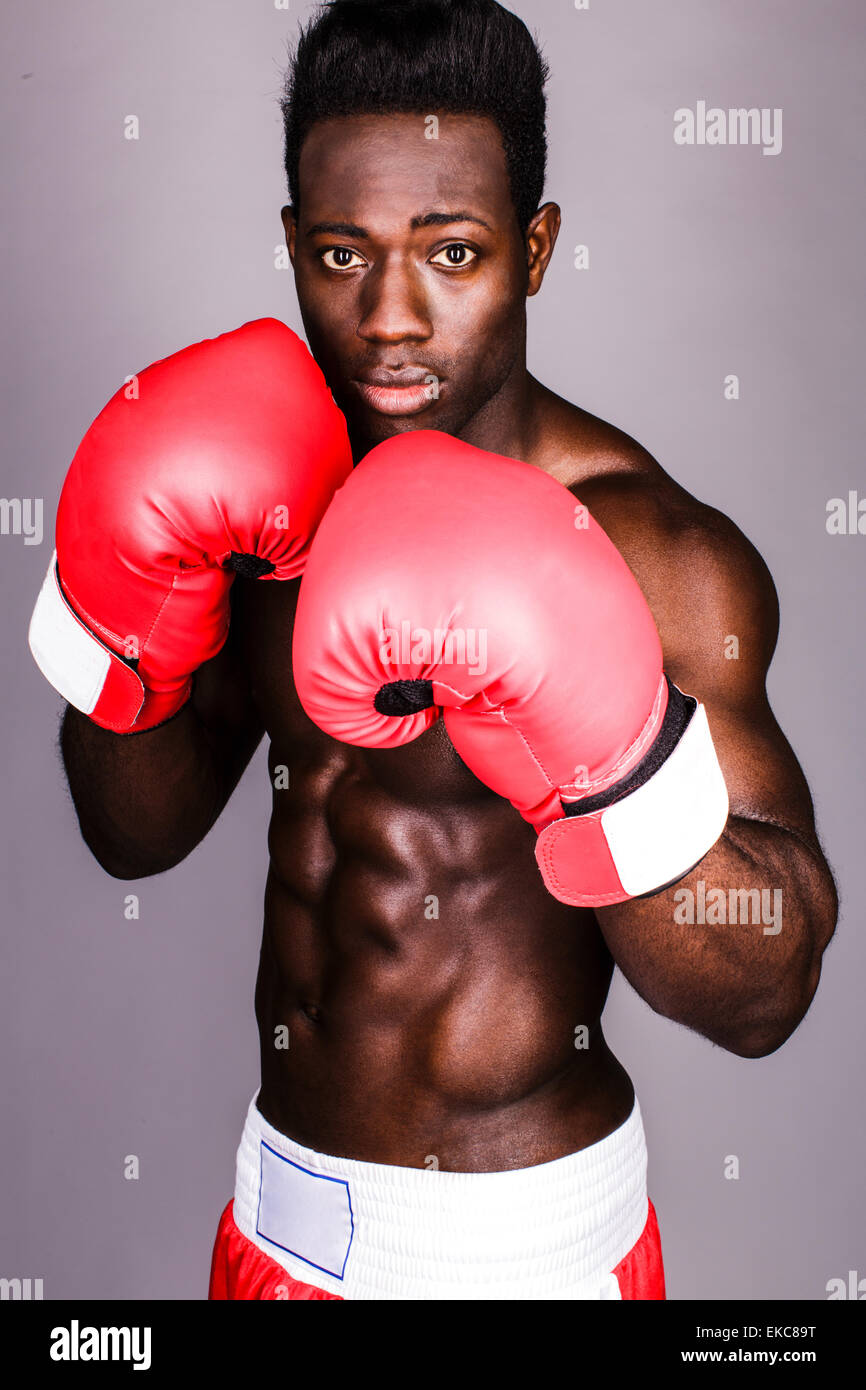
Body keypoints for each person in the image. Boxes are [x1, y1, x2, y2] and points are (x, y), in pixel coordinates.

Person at [29, 0, 836, 1301]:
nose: (389, 316)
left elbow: (769, 988)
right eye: (342, 255)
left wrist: (607, 753)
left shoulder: (652, 547)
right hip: (274, 1225)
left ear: (533, 248)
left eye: (450, 253)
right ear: (291, 243)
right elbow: (133, 835)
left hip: (527, 1257)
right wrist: (135, 610)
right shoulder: (264, 497)